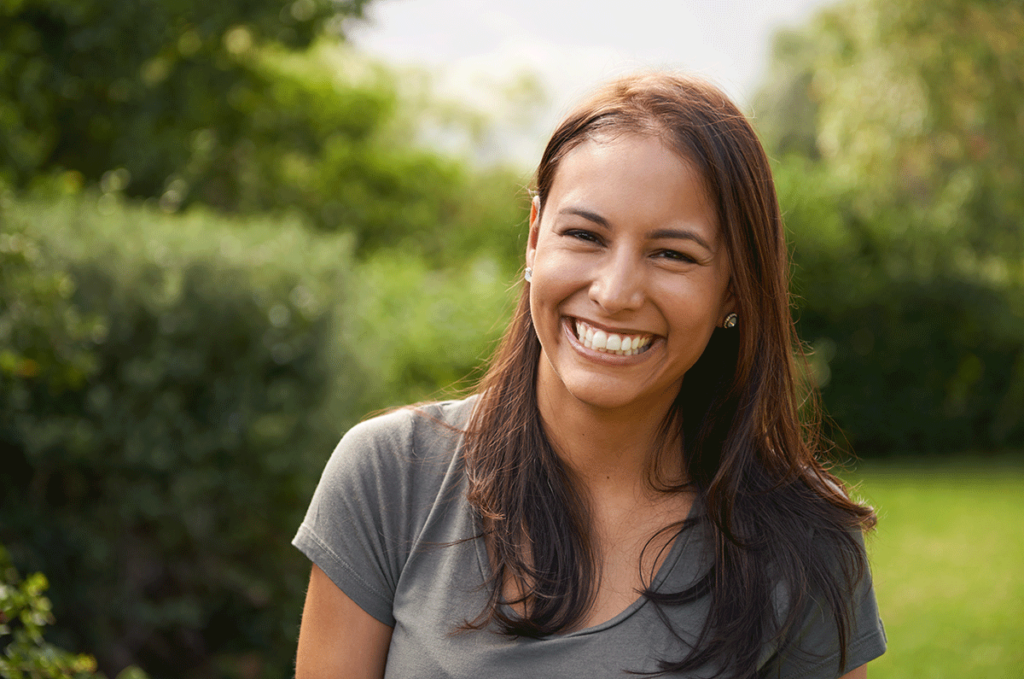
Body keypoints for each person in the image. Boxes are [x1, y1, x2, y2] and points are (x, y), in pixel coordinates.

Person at [292, 73, 886, 679]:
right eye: (584, 235)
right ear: (533, 237)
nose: (615, 292)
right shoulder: (390, 477)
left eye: (672, 254)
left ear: (733, 287)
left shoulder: (807, 544)